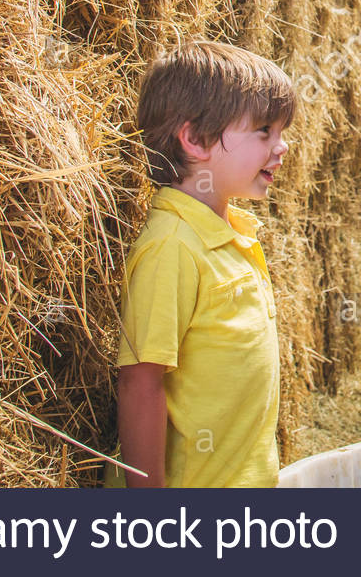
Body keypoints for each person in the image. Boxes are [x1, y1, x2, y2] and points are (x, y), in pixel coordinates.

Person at [110, 40, 295, 487]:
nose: (282, 146)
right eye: (264, 131)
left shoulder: (234, 235)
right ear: (196, 140)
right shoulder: (172, 247)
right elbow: (140, 383)